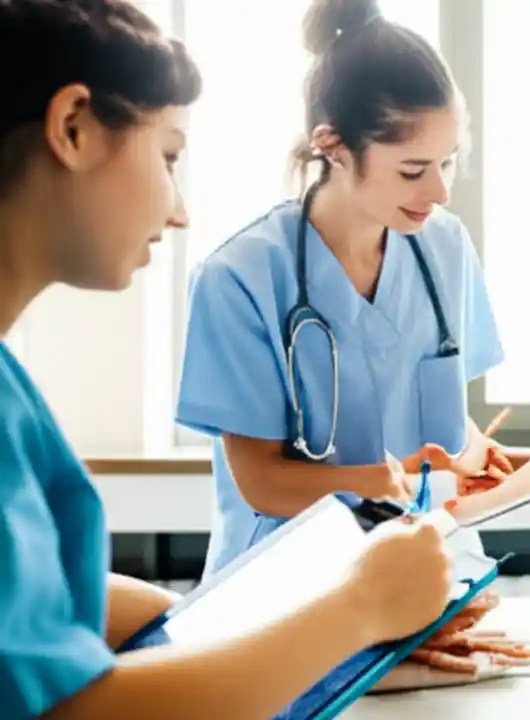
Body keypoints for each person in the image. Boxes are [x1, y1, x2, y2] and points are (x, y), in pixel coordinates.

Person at [0, 1, 452, 717]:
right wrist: (356, 612)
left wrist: (247, 628)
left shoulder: (9, 393)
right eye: (169, 155)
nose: (179, 210)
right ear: (74, 128)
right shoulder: (242, 271)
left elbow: (47, 598)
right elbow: (67, 710)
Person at [175, 0, 518, 584]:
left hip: (429, 578)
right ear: (332, 146)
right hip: (286, 594)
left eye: (448, 163)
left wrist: (477, 457)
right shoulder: (240, 278)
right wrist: (372, 485)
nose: (439, 191)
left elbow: (433, 413)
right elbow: (261, 480)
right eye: (413, 171)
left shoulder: (446, 249)